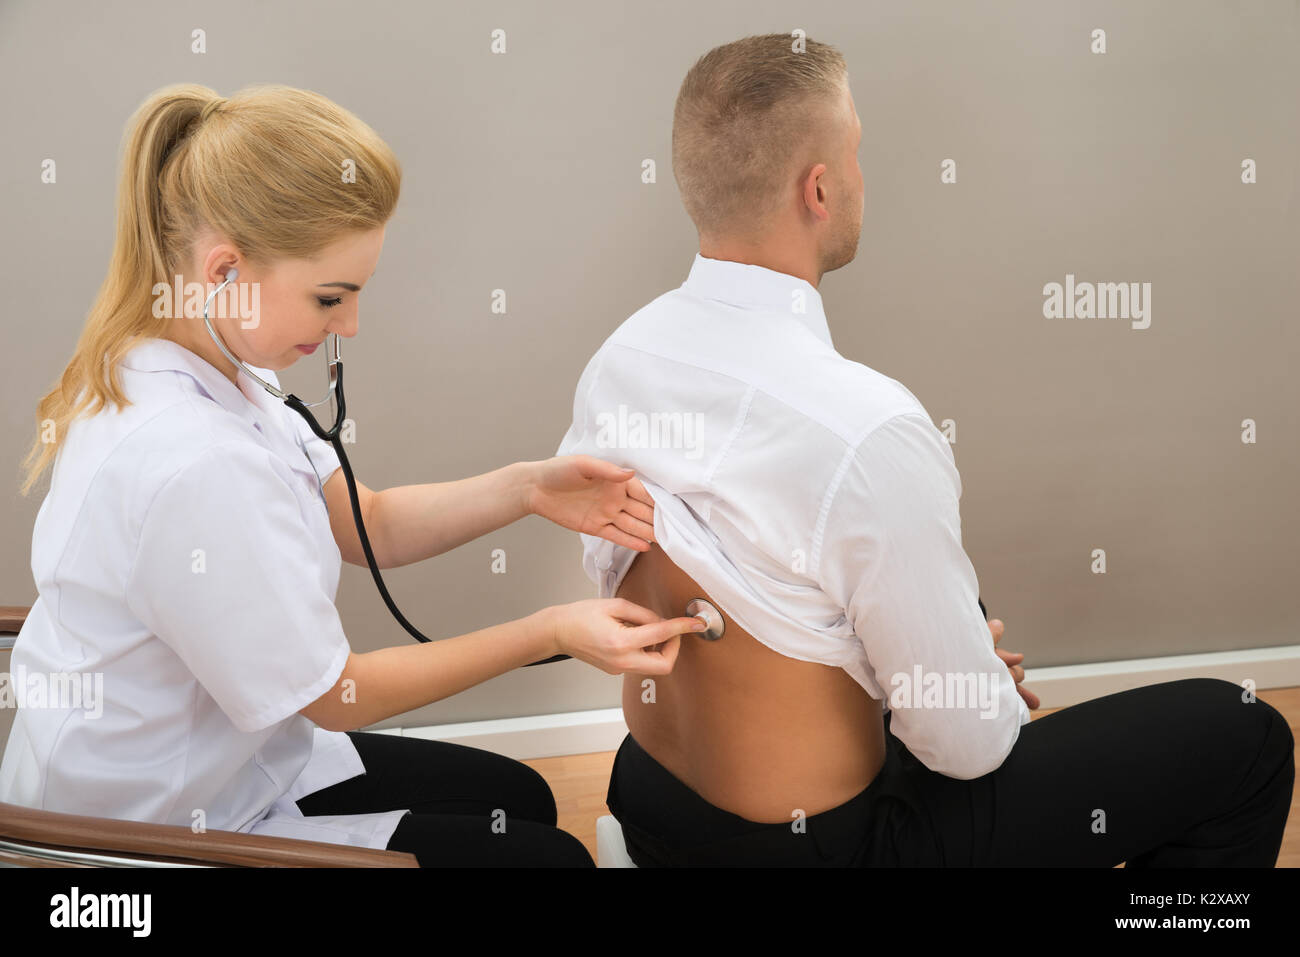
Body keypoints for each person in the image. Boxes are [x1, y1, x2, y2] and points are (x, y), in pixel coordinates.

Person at [555, 34, 1295, 866]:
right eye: (858, 152)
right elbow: (968, 749)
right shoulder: (865, 428)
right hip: (827, 849)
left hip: (654, 800)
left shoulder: (621, 360)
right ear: (821, 189)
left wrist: (940, 670)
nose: (864, 174)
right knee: (1245, 737)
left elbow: (703, 589)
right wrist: (967, 686)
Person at [0, 82, 705, 867]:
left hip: (239, 761)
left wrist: (529, 487)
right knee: (549, 860)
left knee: (524, 801)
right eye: (331, 297)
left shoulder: (220, 365)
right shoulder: (189, 460)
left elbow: (370, 524)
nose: (351, 325)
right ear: (224, 269)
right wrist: (549, 630)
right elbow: (339, 696)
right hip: (143, 830)